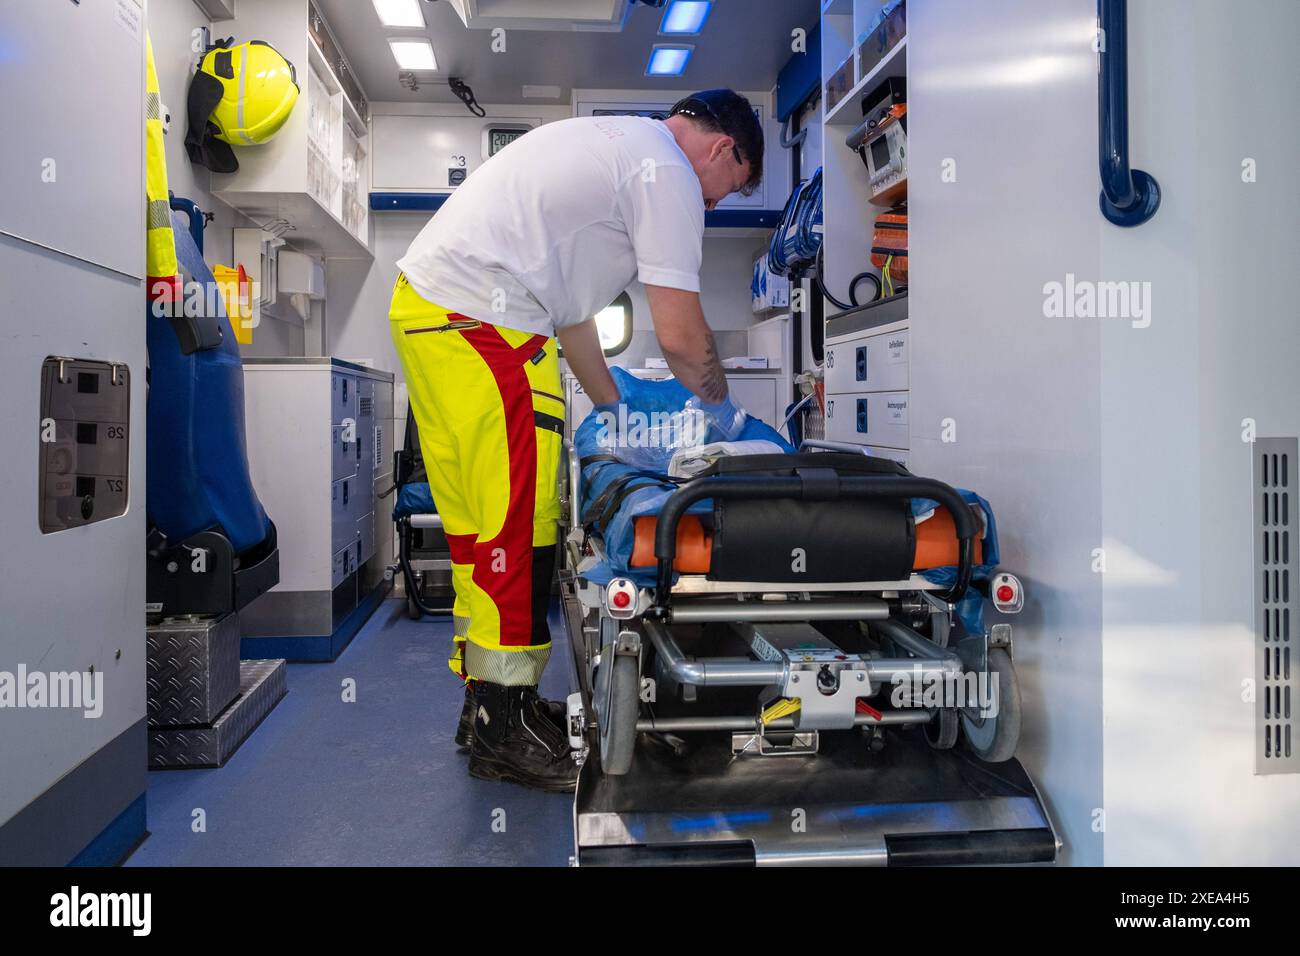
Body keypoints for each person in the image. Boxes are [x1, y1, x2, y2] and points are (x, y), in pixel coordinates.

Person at [388, 88, 764, 791]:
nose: (712, 206)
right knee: (516, 527)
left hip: (432, 310)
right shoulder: (669, 172)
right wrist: (727, 416)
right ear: (723, 150)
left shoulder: (614, 152)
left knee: (477, 529)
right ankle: (508, 729)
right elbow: (683, 337)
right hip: (485, 324)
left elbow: (572, 319)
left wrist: (615, 410)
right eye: (728, 191)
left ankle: (492, 707)